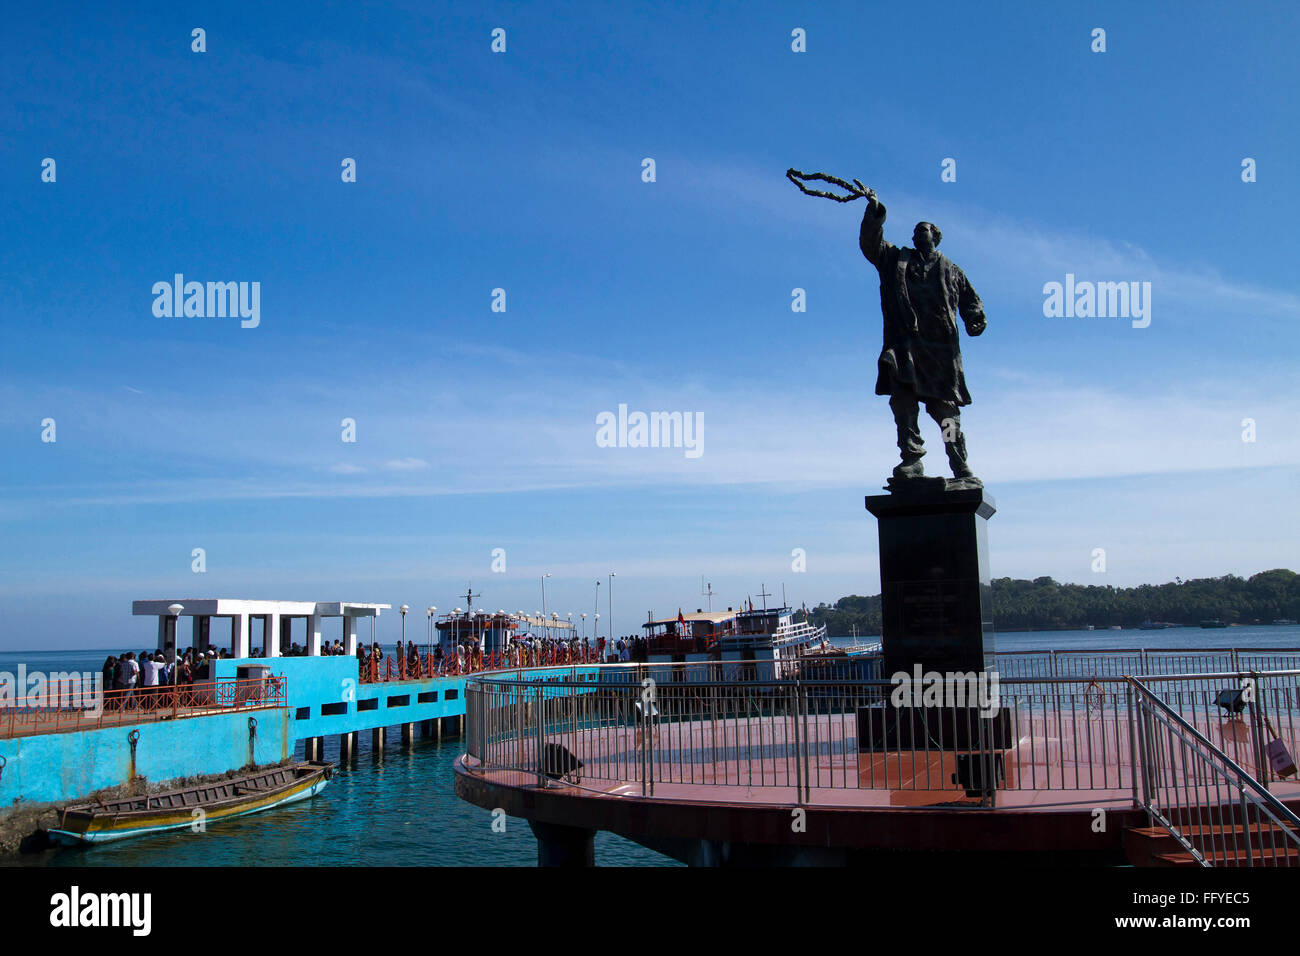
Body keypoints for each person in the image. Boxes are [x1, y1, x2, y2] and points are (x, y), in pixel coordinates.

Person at [858, 189, 986, 486]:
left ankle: (959, 463)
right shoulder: (896, 259)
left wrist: (975, 318)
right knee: (902, 400)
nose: (916, 234)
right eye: (915, 231)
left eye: (922, 230)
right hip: (905, 345)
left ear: (934, 237)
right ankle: (911, 458)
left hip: (940, 350)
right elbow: (871, 245)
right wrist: (875, 213)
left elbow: (970, 301)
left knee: (946, 413)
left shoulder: (952, 270)